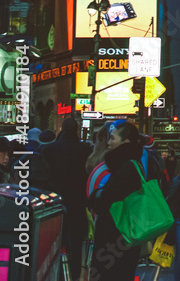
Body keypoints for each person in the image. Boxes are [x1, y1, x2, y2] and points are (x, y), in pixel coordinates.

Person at [88, 120, 152, 280]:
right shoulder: (132, 164)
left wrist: (97, 195)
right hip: (123, 240)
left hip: (115, 242)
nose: (108, 142)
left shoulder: (125, 168)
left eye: (112, 138)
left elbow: (105, 203)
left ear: (126, 141)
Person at [43, 118, 92, 281]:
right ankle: (75, 273)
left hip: (56, 201)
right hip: (78, 201)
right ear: (77, 129)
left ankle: (58, 274)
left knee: (56, 240)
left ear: (62, 129)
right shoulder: (84, 149)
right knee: (76, 243)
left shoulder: (50, 149)